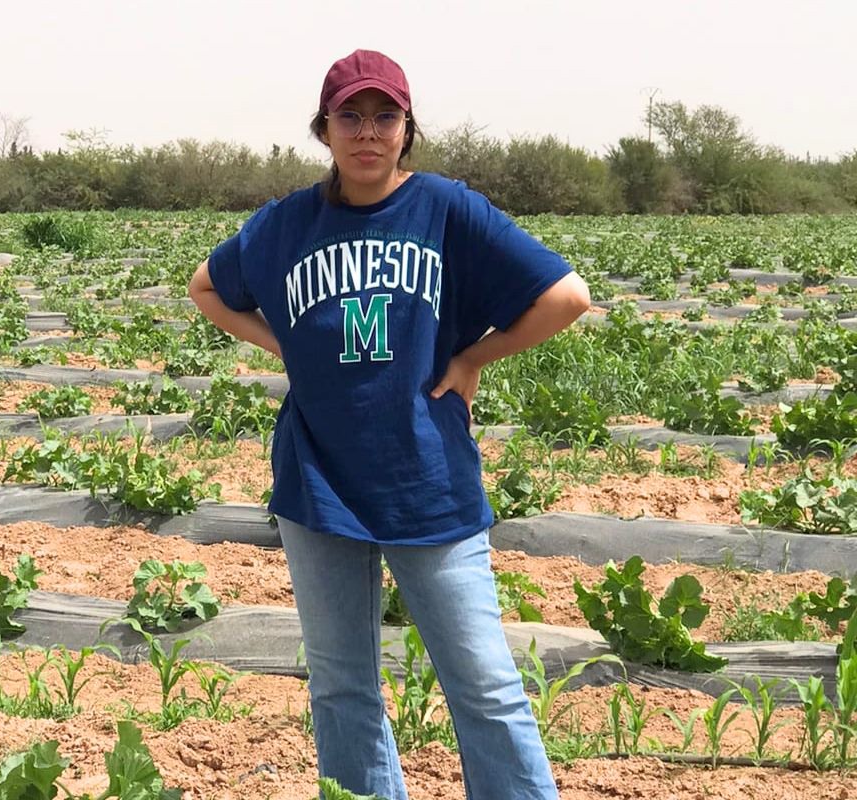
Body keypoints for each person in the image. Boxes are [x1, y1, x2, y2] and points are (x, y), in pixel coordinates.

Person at [188, 48, 589, 800]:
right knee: (342, 687)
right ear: (325, 128)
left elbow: (567, 295)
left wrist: (475, 359)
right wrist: (284, 342)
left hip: (425, 480)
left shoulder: (445, 208)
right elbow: (207, 286)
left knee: (484, 686)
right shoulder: (285, 225)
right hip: (319, 483)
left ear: (407, 129)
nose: (367, 132)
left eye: (385, 117)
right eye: (350, 116)